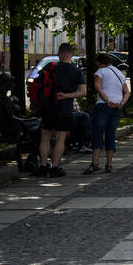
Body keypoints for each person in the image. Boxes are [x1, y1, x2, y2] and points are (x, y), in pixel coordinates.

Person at [36, 43, 87, 176]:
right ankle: (55, 167)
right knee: (60, 138)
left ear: (59, 54)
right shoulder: (76, 71)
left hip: (47, 108)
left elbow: (38, 84)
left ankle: (42, 166)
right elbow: (83, 92)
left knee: (45, 138)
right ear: (71, 55)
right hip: (64, 109)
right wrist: (66, 95)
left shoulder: (50, 68)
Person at [85, 53, 129, 174]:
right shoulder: (120, 73)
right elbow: (126, 92)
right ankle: (109, 164)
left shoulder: (101, 71)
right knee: (110, 134)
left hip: (103, 106)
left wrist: (107, 100)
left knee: (97, 133)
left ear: (100, 63)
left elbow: (97, 87)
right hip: (117, 107)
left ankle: (95, 163)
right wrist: (122, 103)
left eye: (97, 63)